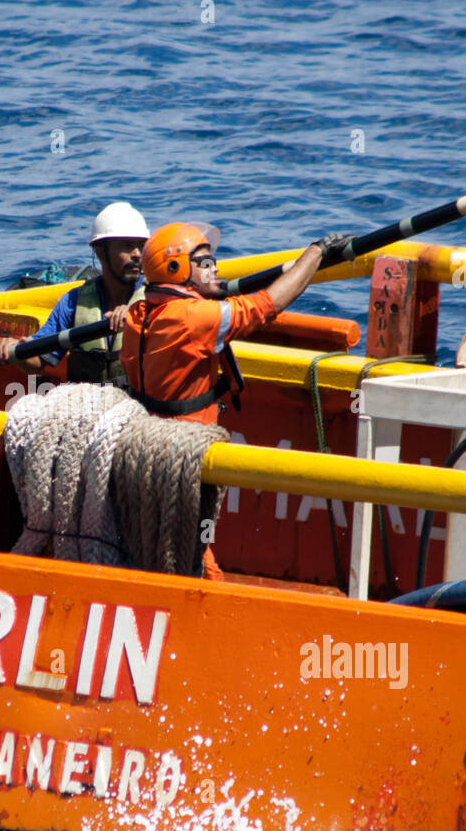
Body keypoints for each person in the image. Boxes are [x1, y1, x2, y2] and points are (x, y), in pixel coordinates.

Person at [119, 221, 353, 577]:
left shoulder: (140, 312)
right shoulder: (194, 318)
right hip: (189, 454)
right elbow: (267, 305)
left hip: (149, 448)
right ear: (176, 269)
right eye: (205, 261)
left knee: (161, 543)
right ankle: (207, 604)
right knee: (199, 546)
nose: (216, 268)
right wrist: (316, 253)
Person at [0, 202, 150, 384]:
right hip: (89, 405)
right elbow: (37, 361)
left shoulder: (156, 299)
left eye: (141, 246)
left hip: (140, 408)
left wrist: (137, 316)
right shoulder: (73, 302)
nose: (137, 254)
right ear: (100, 251)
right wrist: (14, 350)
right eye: (127, 246)